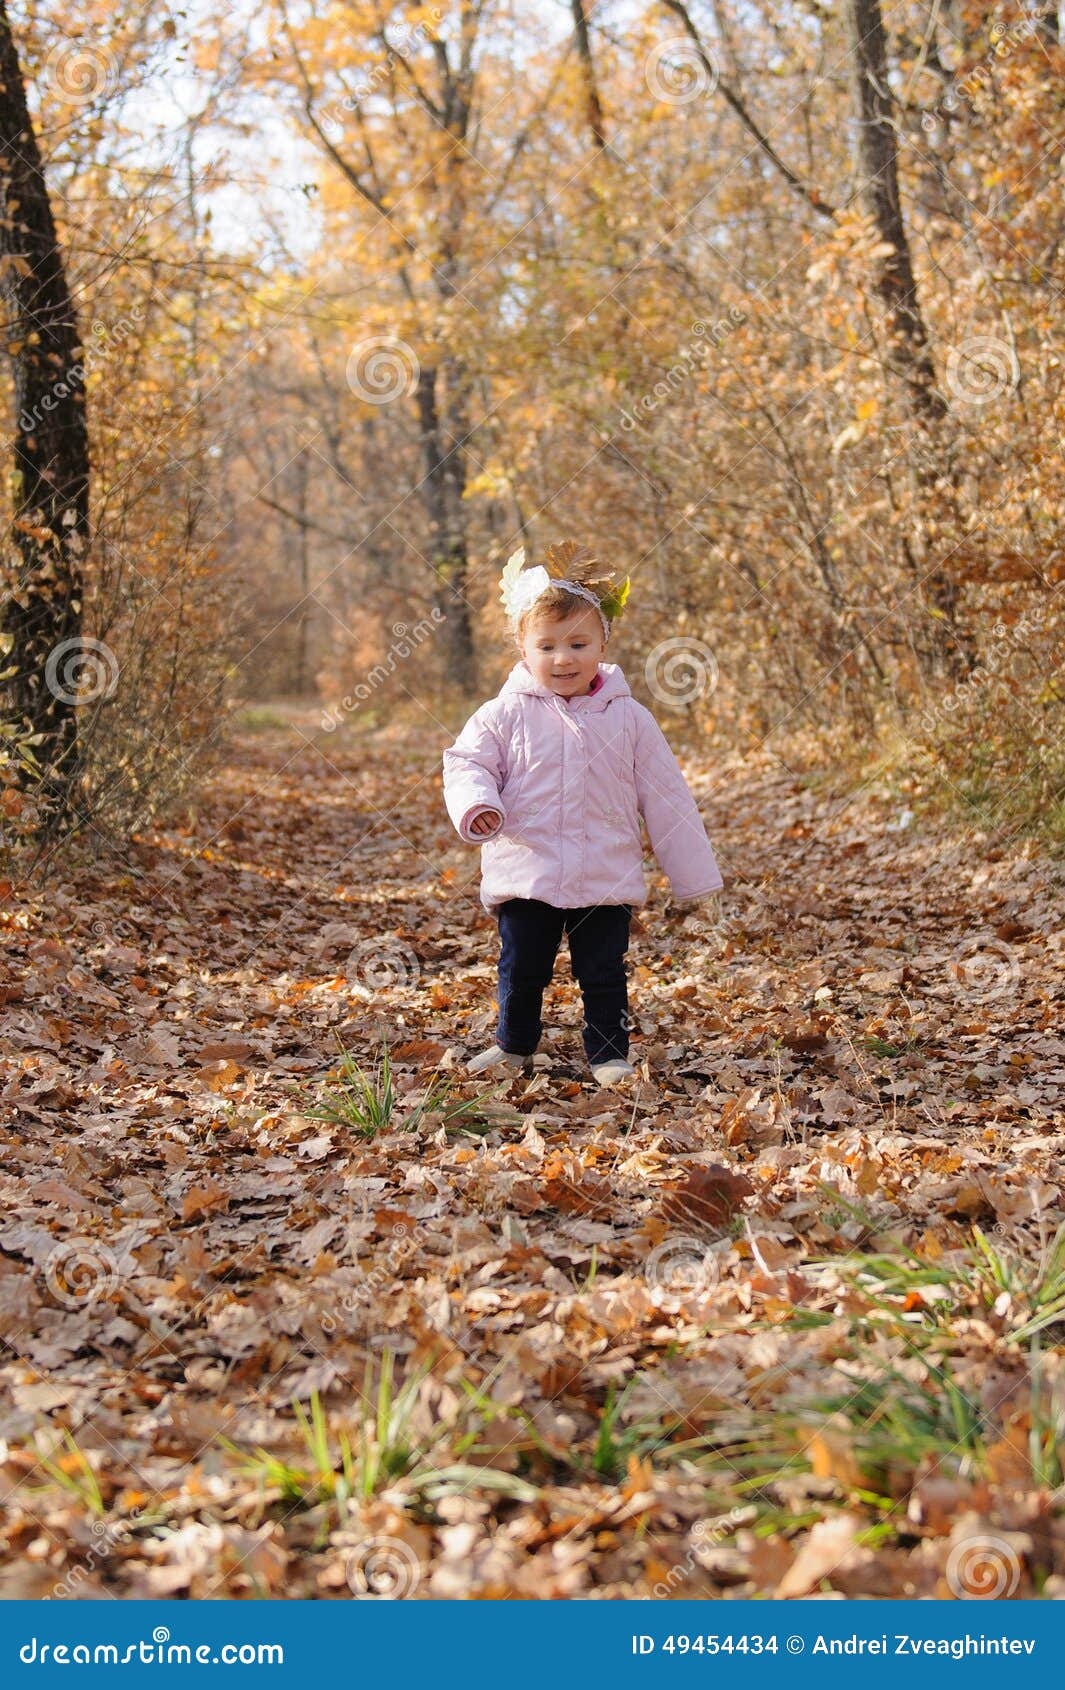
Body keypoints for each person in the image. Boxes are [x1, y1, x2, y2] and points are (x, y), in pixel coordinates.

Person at [442, 540, 724, 1088]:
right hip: (529, 869)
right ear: (522, 649)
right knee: (522, 967)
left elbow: (667, 797)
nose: (563, 657)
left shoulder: (630, 718)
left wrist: (694, 878)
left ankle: (609, 1054)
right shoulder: (502, 715)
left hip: (606, 872)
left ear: (602, 645)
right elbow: (466, 762)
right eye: (546, 645)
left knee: (603, 972)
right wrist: (478, 804)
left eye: (578, 643)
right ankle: (513, 1044)